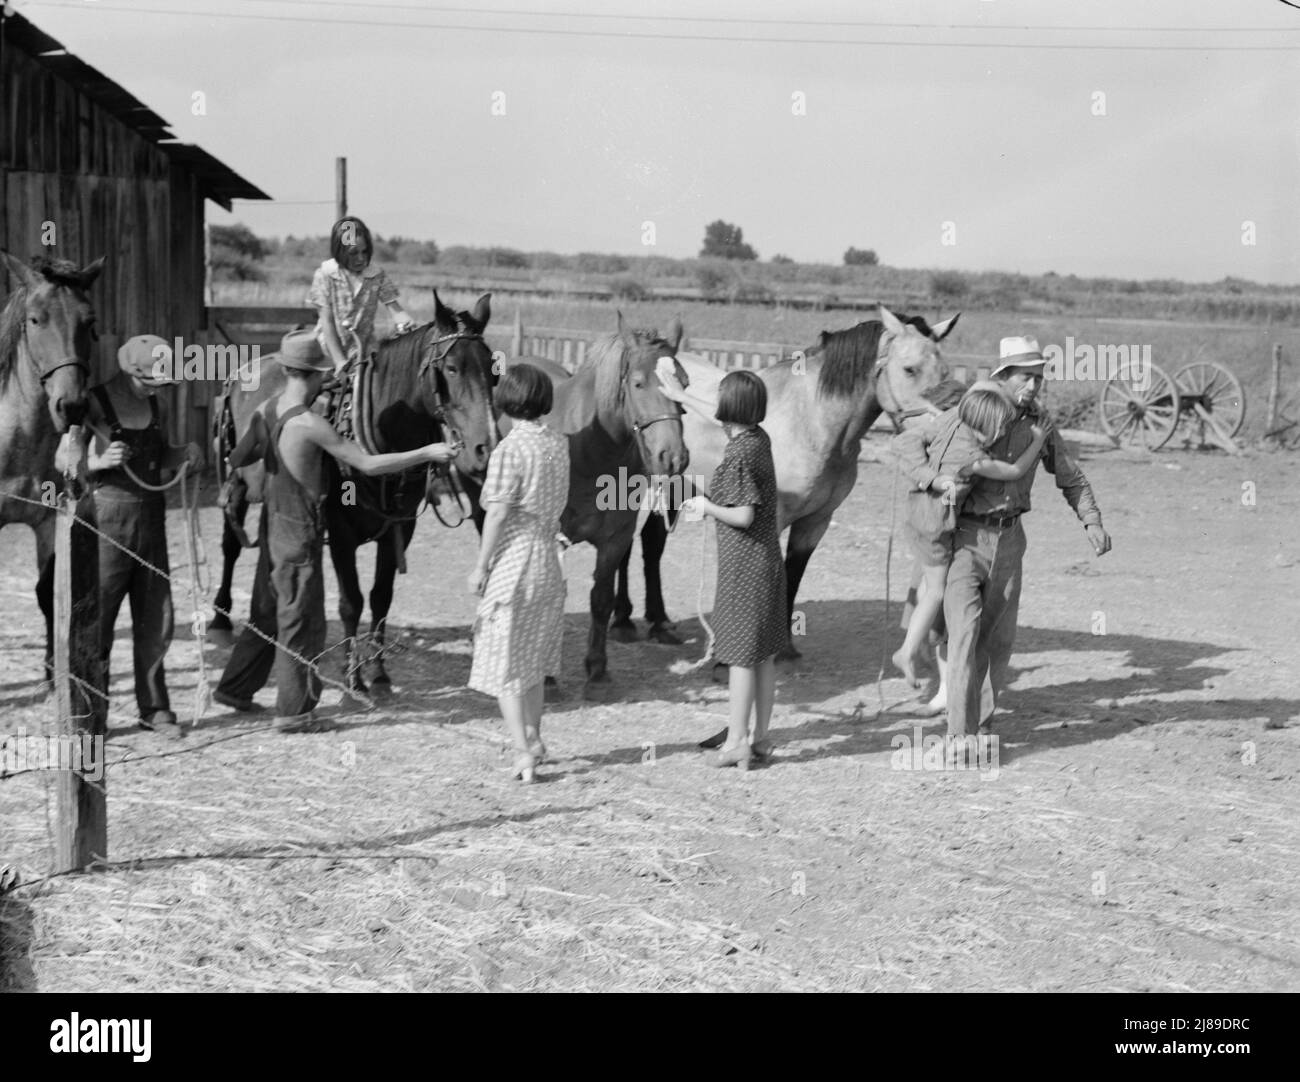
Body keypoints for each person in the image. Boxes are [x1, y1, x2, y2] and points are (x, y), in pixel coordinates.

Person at [213, 329, 458, 731]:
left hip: (272, 519)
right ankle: (295, 713)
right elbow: (368, 465)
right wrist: (426, 452)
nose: (326, 382)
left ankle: (235, 688)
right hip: (299, 529)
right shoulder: (312, 424)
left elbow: (240, 458)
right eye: (322, 376)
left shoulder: (266, 409)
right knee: (302, 621)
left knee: (266, 611)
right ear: (310, 375)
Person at [896, 336, 1112, 758]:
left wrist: (1092, 519)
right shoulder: (971, 411)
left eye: (1038, 378)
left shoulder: (1040, 423)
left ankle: (979, 730)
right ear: (1003, 376)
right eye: (1024, 377)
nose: (1032, 386)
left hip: (1011, 541)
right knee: (963, 638)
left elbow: (1069, 473)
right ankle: (958, 738)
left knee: (996, 642)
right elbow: (906, 444)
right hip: (965, 539)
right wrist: (932, 479)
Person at [660, 367, 786, 770]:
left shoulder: (738, 454)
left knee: (739, 657)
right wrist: (679, 395)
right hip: (767, 561)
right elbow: (720, 417)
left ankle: (736, 742)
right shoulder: (757, 438)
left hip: (743, 567)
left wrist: (704, 506)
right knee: (764, 655)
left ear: (730, 405)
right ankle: (761, 738)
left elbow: (744, 515)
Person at [891, 382, 1050, 688]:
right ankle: (907, 650)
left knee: (928, 579)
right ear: (988, 427)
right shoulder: (974, 460)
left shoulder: (949, 427)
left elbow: (905, 443)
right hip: (937, 524)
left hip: (916, 515)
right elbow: (1015, 471)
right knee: (937, 589)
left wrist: (930, 477)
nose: (1003, 433)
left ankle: (920, 640)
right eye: (1001, 428)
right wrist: (1037, 442)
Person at [85, 335, 203, 737]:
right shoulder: (94, 403)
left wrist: (183, 453)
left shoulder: (157, 404)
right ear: (129, 372)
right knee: (98, 622)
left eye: (161, 382)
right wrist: (96, 460)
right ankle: (88, 713)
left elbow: (162, 456)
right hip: (106, 524)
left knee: (156, 619)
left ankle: (154, 708)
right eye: (149, 380)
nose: (156, 388)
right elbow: (62, 458)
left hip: (151, 523)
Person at [467, 364, 570, 784]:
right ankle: (536, 736)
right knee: (534, 657)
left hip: (517, 556)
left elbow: (497, 512)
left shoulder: (509, 449)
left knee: (506, 659)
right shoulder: (558, 443)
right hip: (549, 555)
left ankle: (523, 751)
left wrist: (480, 565)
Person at [308, 216, 415, 377]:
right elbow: (327, 322)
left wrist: (408, 324)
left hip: (363, 351)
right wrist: (339, 361)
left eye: (365, 252)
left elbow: (395, 309)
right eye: (353, 253)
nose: (360, 258)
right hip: (327, 352)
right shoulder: (325, 275)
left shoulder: (376, 275)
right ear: (340, 251)